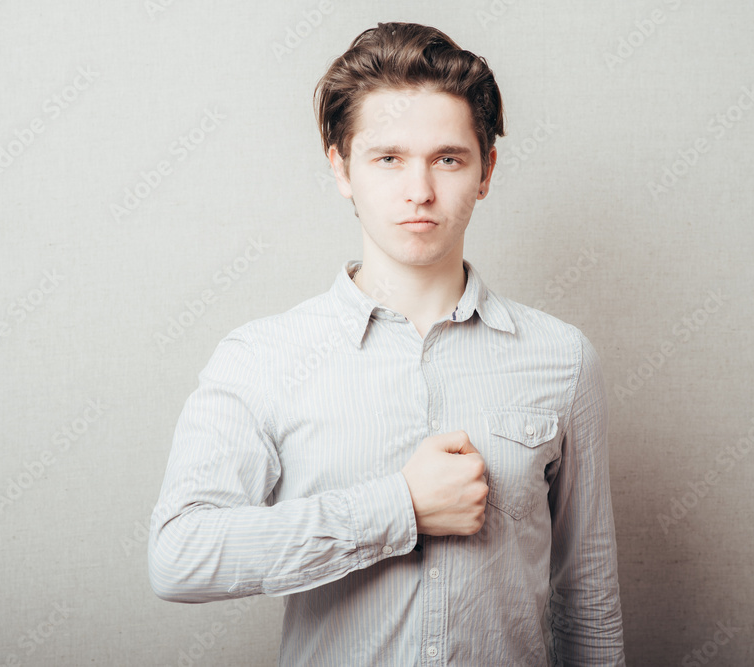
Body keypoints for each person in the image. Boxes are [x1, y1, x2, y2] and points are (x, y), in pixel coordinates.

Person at [148, 21, 625, 666]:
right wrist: (398, 507)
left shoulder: (563, 359)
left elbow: (587, 599)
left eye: (448, 159)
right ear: (341, 169)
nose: (420, 191)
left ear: (486, 171)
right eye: (388, 158)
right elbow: (181, 556)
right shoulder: (262, 357)